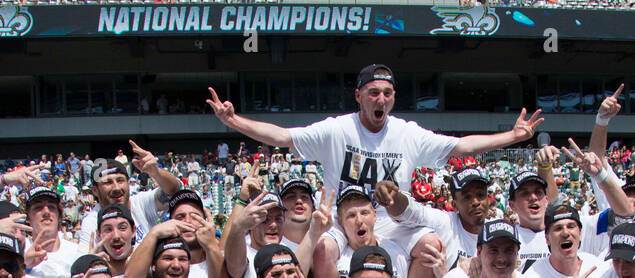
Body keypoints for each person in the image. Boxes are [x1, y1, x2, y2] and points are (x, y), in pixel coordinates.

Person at [206, 64, 543, 204]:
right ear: (358, 96)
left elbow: (460, 146)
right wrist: (235, 121)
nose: (381, 99)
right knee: (323, 246)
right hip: (342, 224)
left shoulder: (407, 133)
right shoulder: (337, 129)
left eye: (387, 93)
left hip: (394, 226)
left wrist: (512, 137)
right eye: (373, 92)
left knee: (431, 245)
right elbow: (281, 136)